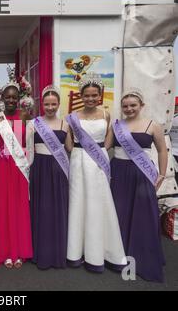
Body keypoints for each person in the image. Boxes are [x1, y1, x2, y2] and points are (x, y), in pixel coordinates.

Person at [65, 72, 127, 272]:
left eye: (94, 95)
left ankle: (102, 251)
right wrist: (76, 152)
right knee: (78, 201)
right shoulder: (73, 117)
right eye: (87, 95)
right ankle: (76, 251)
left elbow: (109, 138)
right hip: (78, 160)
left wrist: (100, 153)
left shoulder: (106, 114)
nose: (90, 99)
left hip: (98, 161)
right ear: (81, 96)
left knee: (98, 202)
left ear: (100, 95)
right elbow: (68, 140)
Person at [109, 88, 167, 282]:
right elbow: (104, 146)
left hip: (142, 174)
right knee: (119, 212)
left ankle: (142, 258)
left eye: (133, 105)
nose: (129, 109)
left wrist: (162, 173)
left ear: (141, 106)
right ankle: (119, 256)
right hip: (118, 172)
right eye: (125, 106)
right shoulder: (116, 125)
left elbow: (161, 151)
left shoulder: (152, 125)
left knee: (143, 214)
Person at [0, 77, 33, 269]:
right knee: (2, 207)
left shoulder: (25, 115)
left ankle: (19, 252)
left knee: (18, 206)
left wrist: (27, 163)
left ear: (19, 98)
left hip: (19, 167)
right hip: (1, 166)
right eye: (7, 97)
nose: (11, 100)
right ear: (2, 98)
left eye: (14, 97)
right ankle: (5, 252)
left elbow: (29, 143)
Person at [27, 85, 69, 269]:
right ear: (41, 104)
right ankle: (40, 251)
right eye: (47, 104)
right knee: (41, 209)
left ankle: (57, 252)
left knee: (57, 208)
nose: (50, 107)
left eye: (54, 104)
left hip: (58, 169)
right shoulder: (33, 123)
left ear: (59, 104)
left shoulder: (65, 124)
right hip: (40, 169)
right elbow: (28, 150)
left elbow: (69, 149)